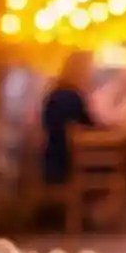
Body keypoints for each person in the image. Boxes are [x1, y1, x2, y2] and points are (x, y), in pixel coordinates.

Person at [40, 51, 97, 185]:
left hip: (52, 159)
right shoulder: (71, 97)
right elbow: (86, 125)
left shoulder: (56, 93)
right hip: (68, 161)